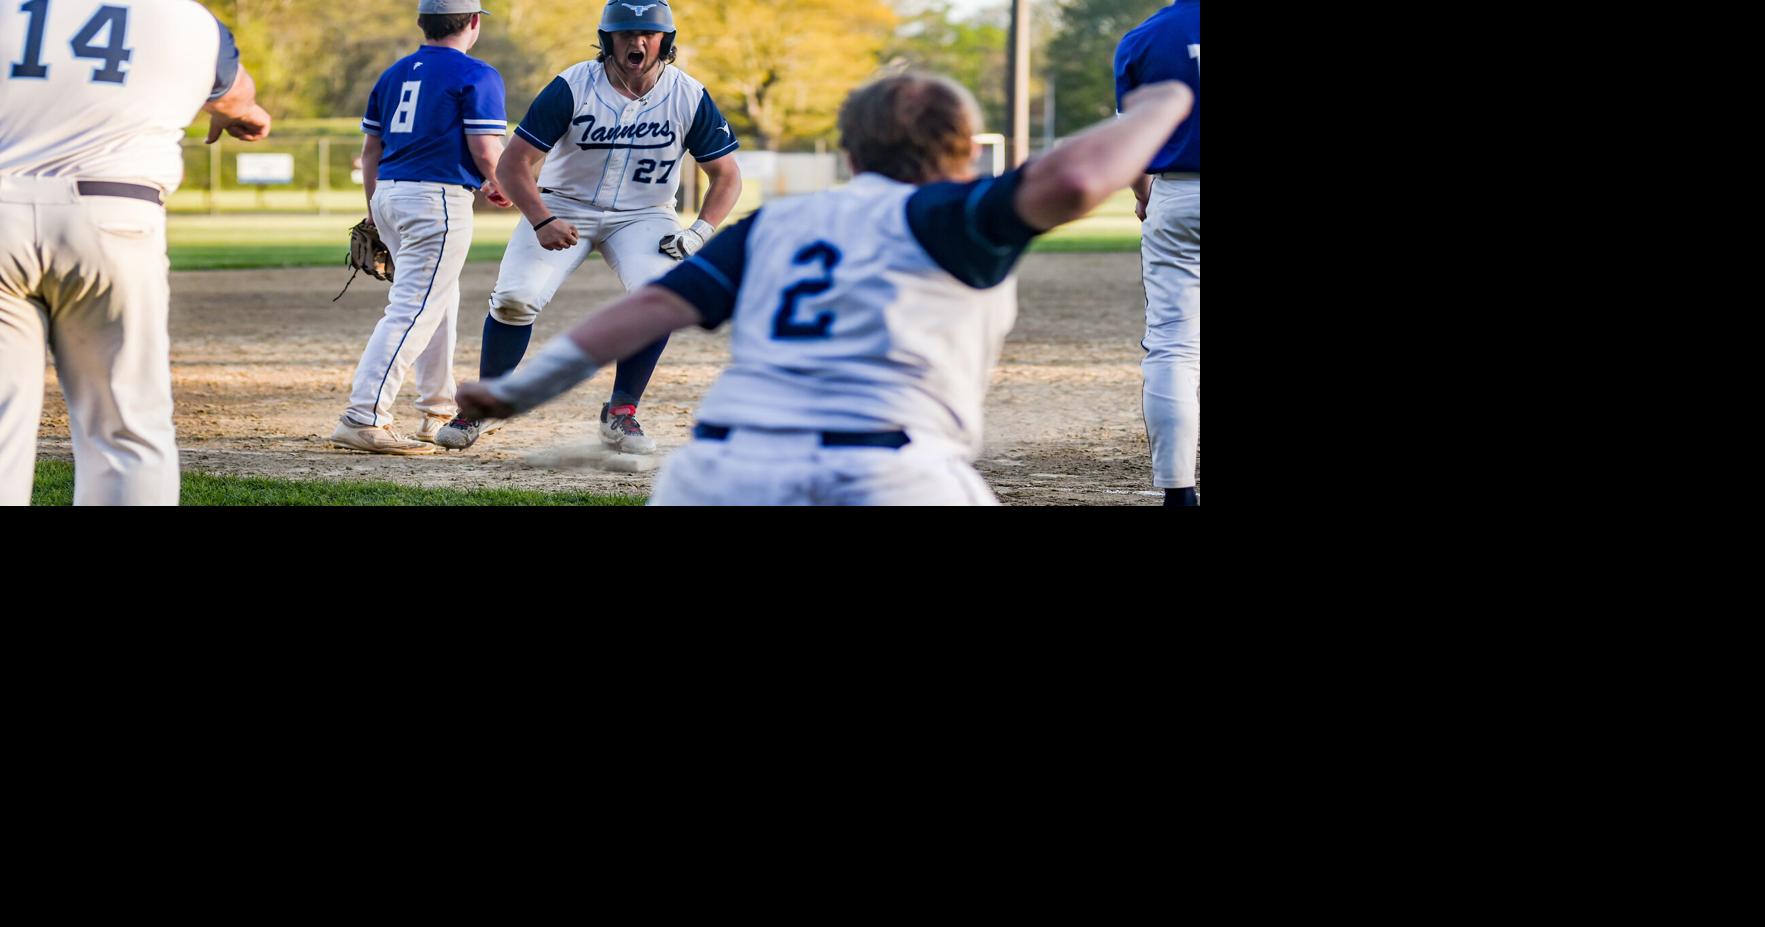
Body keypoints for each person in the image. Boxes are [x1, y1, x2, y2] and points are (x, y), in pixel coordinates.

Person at [451, 72, 1194, 505]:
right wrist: (1163, 106)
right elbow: (1069, 178)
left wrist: (519, 390)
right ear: (966, 154)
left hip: (717, 472)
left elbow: (648, 306)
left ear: (847, 150)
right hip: (885, 470)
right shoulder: (952, 213)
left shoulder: (778, 223)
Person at [435, 0, 743, 454]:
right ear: (607, 40)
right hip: (563, 204)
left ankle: (622, 411)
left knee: (658, 296)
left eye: (649, 35)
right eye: (624, 34)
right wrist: (541, 218)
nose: (637, 43)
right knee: (517, 299)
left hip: (644, 214)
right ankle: (482, 403)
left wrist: (701, 230)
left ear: (666, 41)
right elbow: (514, 163)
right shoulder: (572, 86)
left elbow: (727, 174)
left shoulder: (688, 94)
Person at [1, 0, 272, 505]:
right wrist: (246, 115)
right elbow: (237, 95)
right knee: (127, 428)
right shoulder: (190, 19)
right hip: (115, 217)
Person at [330, 0, 512, 455]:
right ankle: (363, 416)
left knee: (439, 300)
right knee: (414, 308)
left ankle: (438, 410)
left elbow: (371, 150)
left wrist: (374, 208)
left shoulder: (394, 73)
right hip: (437, 201)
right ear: (473, 22)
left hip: (389, 194)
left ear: (421, 23)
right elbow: (486, 150)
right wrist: (501, 183)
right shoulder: (477, 73)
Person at [1116, 0, 1200, 506]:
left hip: (1178, 191)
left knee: (1174, 346)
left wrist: (1144, 194)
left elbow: (1131, 140)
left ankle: (1179, 491)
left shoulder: (1144, 38)